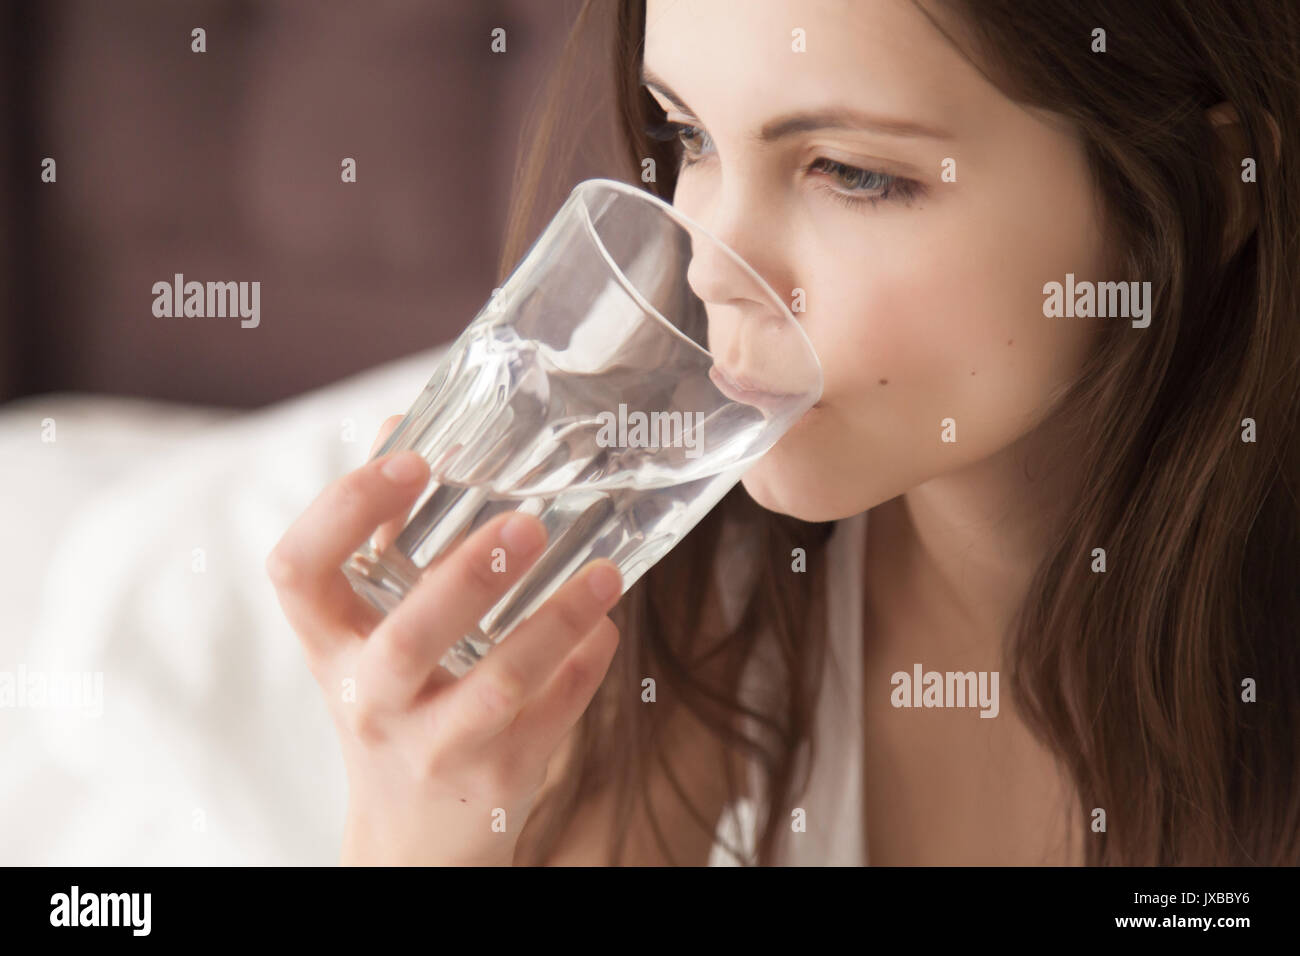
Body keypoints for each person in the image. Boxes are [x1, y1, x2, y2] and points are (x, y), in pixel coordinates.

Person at [267, 0, 1300, 866]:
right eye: (685, 136)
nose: (709, 269)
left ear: (1212, 194)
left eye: (851, 172)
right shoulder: (675, 582)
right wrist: (416, 826)